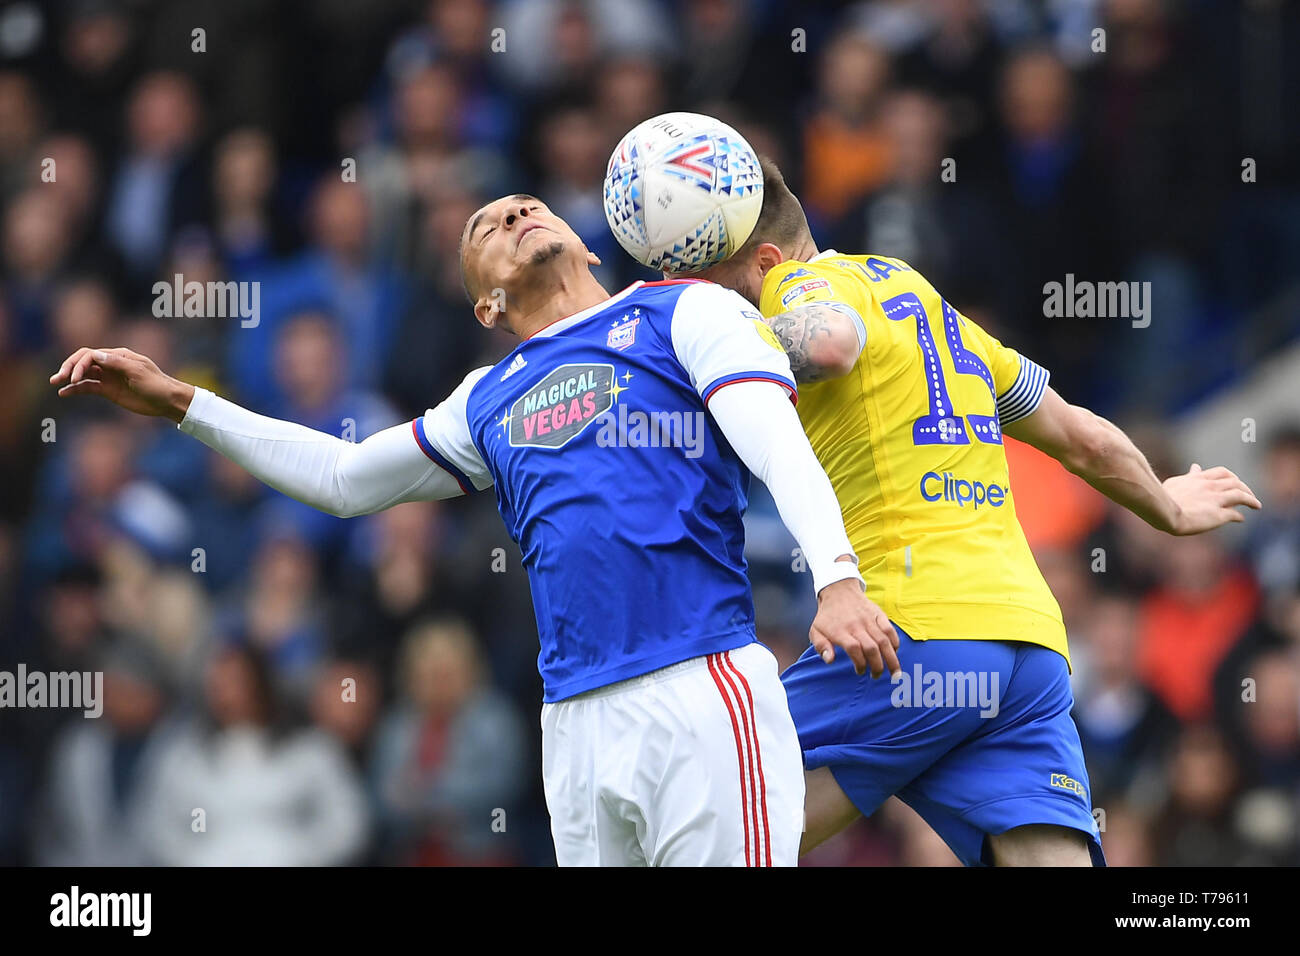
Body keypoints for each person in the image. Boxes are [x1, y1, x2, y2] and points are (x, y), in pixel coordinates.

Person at [50, 193, 899, 867]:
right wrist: (180, 402)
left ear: (588, 245)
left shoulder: (685, 313)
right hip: (574, 722)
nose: (513, 214)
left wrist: (837, 577)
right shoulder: (486, 396)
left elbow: (773, 437)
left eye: (528, 206)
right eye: (486, 226)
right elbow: (345, 479)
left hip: (700, 681)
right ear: (489, 303)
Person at [687, 157, 1261, 866]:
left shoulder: (803, 285)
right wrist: (1167, 503)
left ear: (768, 260)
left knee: (702, 832)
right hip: (1027, 647)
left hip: (908, 636)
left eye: (727, 290)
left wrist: (719, 360)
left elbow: (830, 342)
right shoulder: (923, 302)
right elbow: (1082, 437)